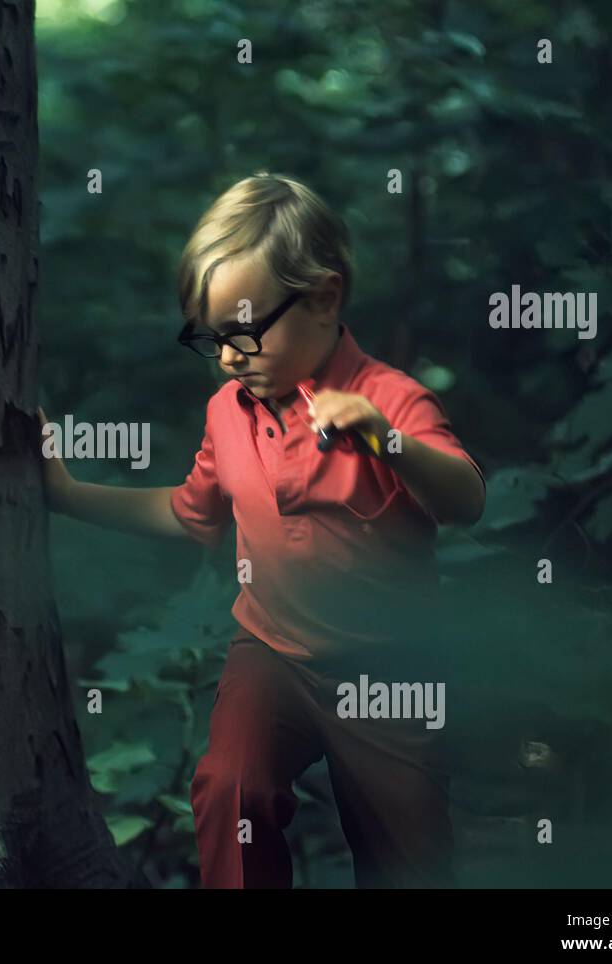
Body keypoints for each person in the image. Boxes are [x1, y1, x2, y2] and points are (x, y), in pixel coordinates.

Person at [38, 171, 485, 888]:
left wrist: (386, 443)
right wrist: (66, 495)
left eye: (244, 332)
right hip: (273, 656)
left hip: (388, 670)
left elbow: (465, 500)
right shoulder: (227, 412)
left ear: (324, 298)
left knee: (409, 856)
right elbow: (190, 514)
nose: (226, 356)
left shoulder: (387, 399)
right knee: (230, 790)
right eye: (211, 337)